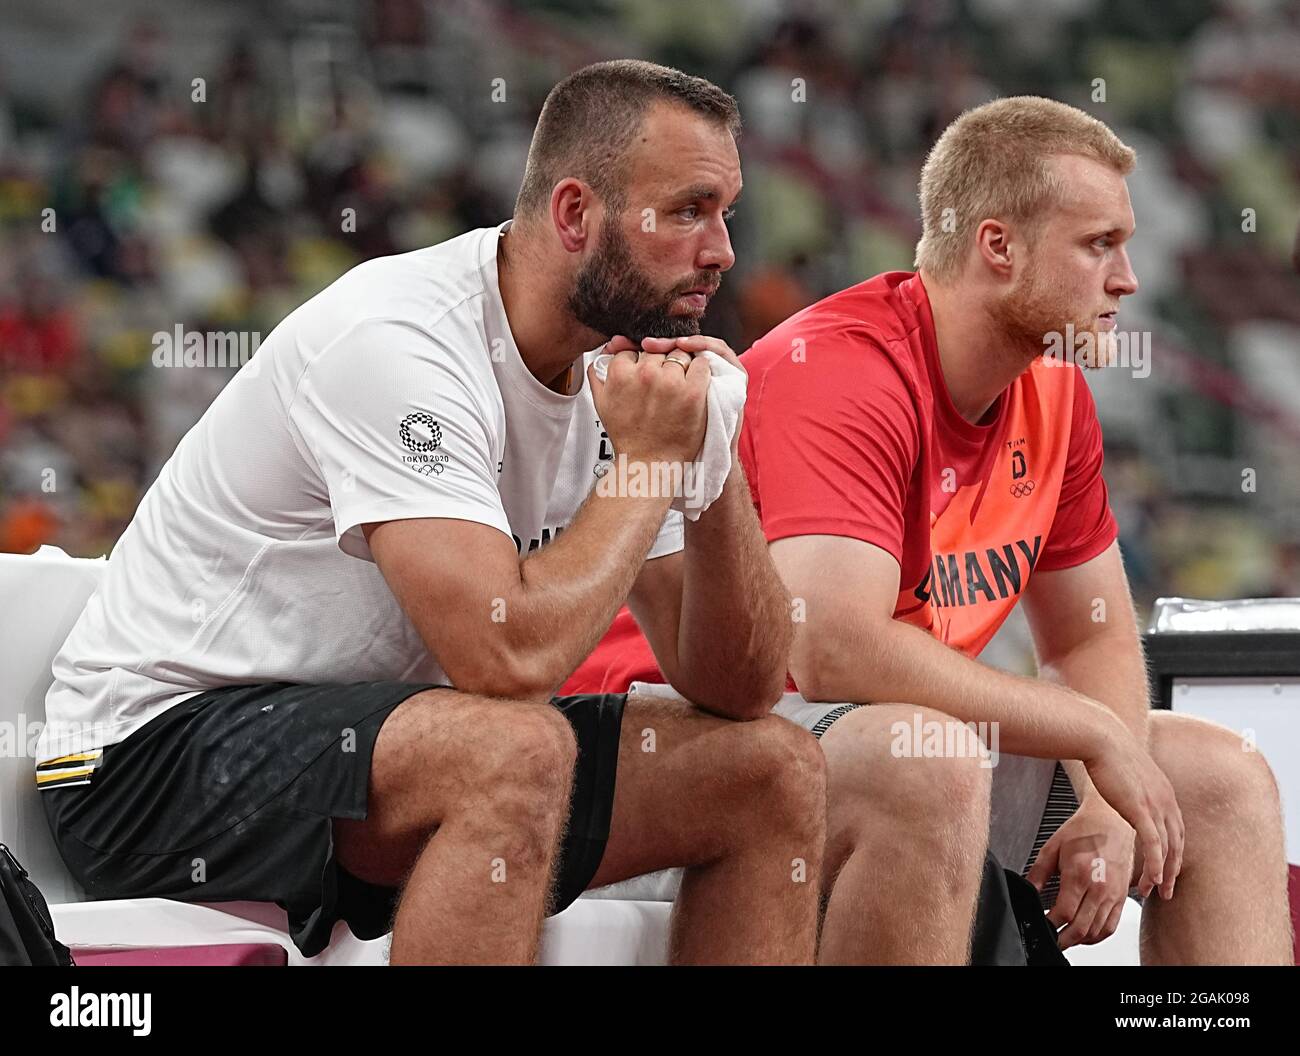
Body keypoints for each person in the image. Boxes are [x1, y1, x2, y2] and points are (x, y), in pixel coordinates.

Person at [36, 60, 827, 966]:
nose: (724, 249)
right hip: (146, 761)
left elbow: (739, 683)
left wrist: (709, 456)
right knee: (513, 749)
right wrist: (649, 466)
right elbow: (505, 657)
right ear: (574, 214)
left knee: (770, 772)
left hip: (370, 757)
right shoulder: (401, 341)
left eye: (725, 211)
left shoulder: (629, 376)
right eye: (688, 211)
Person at [566, 96, 1295, 965]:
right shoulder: (841, 370)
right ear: (998, 247)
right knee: (934, 761)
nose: (1128, 278)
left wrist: (1106, 791)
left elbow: (1090, 636)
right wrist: (1087, 733)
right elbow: (831, 650)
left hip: (865, 735)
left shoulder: (1054, 392)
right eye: (1098, 244)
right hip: (680, 730)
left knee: (1220, 780)